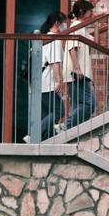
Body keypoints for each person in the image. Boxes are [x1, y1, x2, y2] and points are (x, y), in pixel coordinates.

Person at [64, 0, 97, 130]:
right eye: (90, 12)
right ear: (82, 12)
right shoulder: (75, 27)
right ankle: (67, 126)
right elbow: (72, 48)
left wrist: (95, 26)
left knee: (79, 105)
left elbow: (95, 43)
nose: (92, 14)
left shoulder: (82, 29)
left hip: (80, 73)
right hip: (77, 73)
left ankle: (71, 130)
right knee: (89, 104)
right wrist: (77, 69)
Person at [35, 10, 68, 141]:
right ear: (57, 23)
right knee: (59, 111)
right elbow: (55, 63)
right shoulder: (53, 40)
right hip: (49, 83)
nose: (65, 27)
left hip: (40, 83)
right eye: (64, 24)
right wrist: (60, 81)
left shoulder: (44, 38)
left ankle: (44, 141)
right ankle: (34, 134)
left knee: (47, 114)